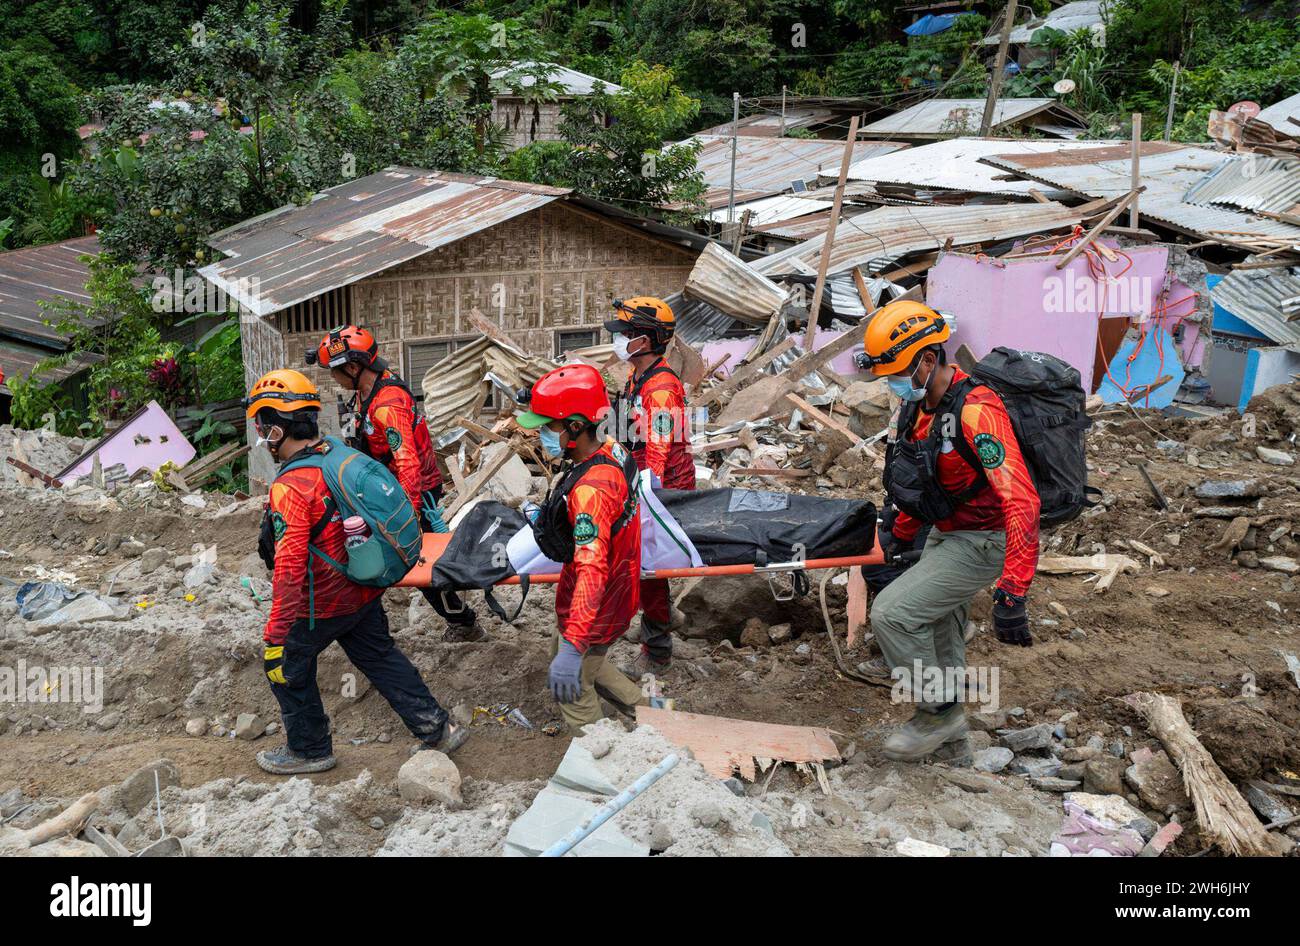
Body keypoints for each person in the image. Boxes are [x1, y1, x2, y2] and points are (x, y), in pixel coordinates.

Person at [245, 369, 468, 775]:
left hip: (320, 604)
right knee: (379, 656)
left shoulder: (292, 486)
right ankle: (438, 728)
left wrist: (276, 635)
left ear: (275, 428)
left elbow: (291, 568)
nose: (262, 435)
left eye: (262, 425)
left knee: (285, 669)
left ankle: (309, 750)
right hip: (362, 588)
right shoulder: (338, 453)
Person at [857, 301, 1039, 763]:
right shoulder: (917, 409)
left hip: (984, 541)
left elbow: (1021, 501)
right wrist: (898, 534)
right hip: (945, 532)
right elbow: (928, 482)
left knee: (893, 614)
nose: (893, 384)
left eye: (898, 372)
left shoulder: (978, 412)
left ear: (927, 359)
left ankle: (937, 714)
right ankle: (954, 748)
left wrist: (1013, 591)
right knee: (940, 634)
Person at [307, 325, 482, 642]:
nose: (333, 379)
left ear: (353, 366)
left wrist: (408, 515)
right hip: (391, 487)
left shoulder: (388, 405)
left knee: (417, 564)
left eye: (335, 372)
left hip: (412, 491)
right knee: (406, 559)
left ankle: (464, 622)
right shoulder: (368, 390)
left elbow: (408, 462)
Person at [515, 363, 649, 733]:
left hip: (598, 599)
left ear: (575, 427)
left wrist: (574, 647)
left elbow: (593, 569)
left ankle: (606, 764)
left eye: (548, 426)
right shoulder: (612, 449)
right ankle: (655, 713)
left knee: (573, 687)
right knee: (574, 654)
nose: (540, 433)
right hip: (613, 588)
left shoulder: (591, 490)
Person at [604, 297, 695, 676]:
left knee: (648, 568)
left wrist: (647, 492)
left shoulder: (660, 389)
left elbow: (657, 449)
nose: (619, 339)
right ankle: (660, 616)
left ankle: (657, 649)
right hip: (642, 479)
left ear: (644, 341)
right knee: (641, 565)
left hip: (663, 488)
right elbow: (627, 430)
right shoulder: (636, 377)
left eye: (625, 334)